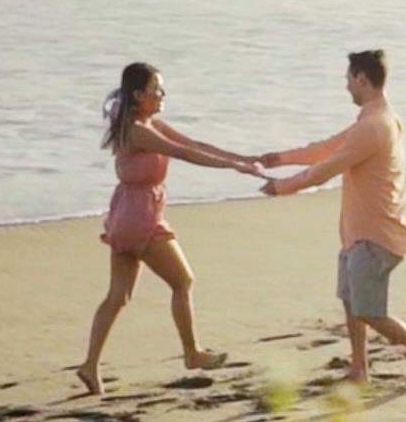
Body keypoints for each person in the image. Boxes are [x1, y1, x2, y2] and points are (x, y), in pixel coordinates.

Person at [75, 62, 265, 396]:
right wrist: (235, 167)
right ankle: (192, 353)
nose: (162, 95)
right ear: (138, 95)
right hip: (141, 217)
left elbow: (194, 143)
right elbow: (185, 153)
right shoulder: (138, 130)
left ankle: (90, 366)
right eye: (156, 90)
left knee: (118, 296)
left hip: (125, 215)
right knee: (183, 280)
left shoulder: (146, 124)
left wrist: (244, 158)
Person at [257, 48, 406, 385]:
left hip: (377, 237)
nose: (346, 87)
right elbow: (326, 149)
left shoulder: (374, 126)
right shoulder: (374, 119)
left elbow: (325, 169)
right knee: (350, 300)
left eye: (348, 80)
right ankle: (359, 368)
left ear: (362, 79)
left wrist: (281, 187)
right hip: (359, 234)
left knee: (369, 311)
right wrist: (279, 158)